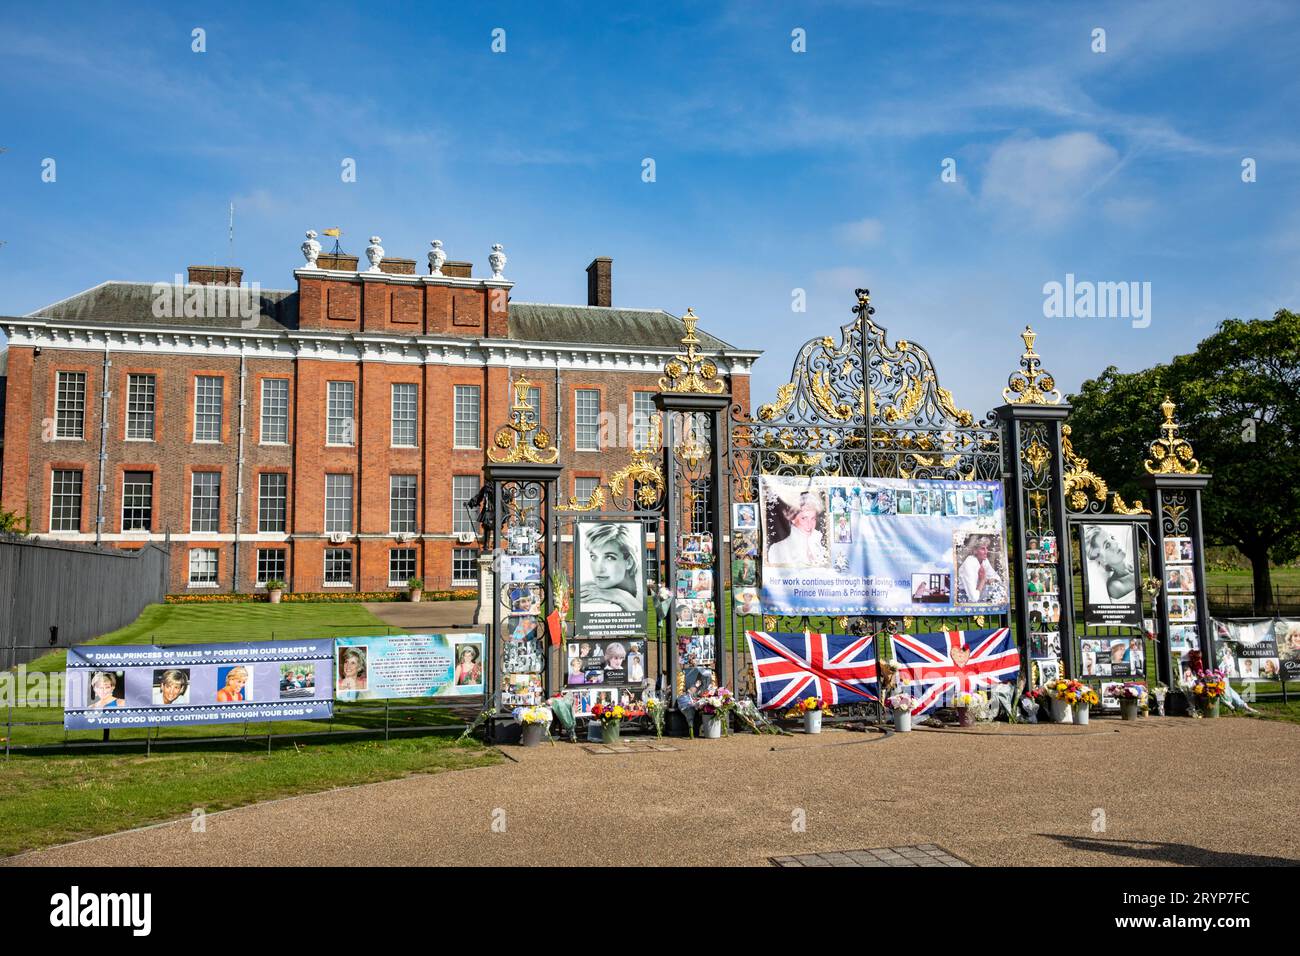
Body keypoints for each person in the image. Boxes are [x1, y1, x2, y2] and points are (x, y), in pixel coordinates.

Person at [581, 524, 642, 612]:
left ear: (629, 562)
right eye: (594, 557)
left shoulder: (640, 580)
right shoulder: (590, 587)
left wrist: (619, 595)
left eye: (610, 557)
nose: (599, 569)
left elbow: (641, 614)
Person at [766, 487, 828, 568]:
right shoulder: (777, 548)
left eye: (813, 519)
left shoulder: (819, 544)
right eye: (804, 518)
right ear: (793, 519)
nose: (809, 524)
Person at [1084, 526, 1136, 602]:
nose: (1115, 543)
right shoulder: (1115, 586)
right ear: (1102, 560)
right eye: (1107, 545)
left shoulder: (1134, 565)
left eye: (1112, 537)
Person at [958, 534, 1001, 603]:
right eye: (983, 549)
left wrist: (992, 580)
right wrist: (983, 580)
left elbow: (997, 578)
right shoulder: (969, 563)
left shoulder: (984, 560)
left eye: (987, 548)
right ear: (975, 550)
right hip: (963, 597)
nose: (986, 551)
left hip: (978, 592)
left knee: (998, 589)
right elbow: (973, 598)